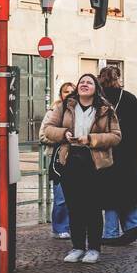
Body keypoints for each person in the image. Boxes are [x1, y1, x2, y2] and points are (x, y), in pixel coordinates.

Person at [41, 74, 121, 264]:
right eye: (82, 82)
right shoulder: (65, 106)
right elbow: (48, 130)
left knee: (93, 207)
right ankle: (77, 247)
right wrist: (64, 134)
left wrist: (91, 139)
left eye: (89, 82)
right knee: (74, 206)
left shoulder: (105, 109)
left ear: (95, 88)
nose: (85, 85)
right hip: (70, 160)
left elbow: (116, 136)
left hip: (95, 162)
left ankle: (93, 248)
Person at [99, 65, 137, 246]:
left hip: (105, 148)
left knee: (109, 192)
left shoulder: (99, 99)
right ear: (118, 77)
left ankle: (111, 232)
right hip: (126, 149)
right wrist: (129, 135)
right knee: (125, 189)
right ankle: (133, 224)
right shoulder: (128, 97)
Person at [49, 82, 74, 239]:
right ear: (61, 94)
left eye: (72, 91)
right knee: (61, 198)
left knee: (74, 197)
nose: (70, 94)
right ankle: (59, 227)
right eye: (66, 92)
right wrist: (63, 134)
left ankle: (72, 226)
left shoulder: (79, 110)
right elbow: (45, 133)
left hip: (76, 157)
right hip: (58, 158)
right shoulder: (55, 110)